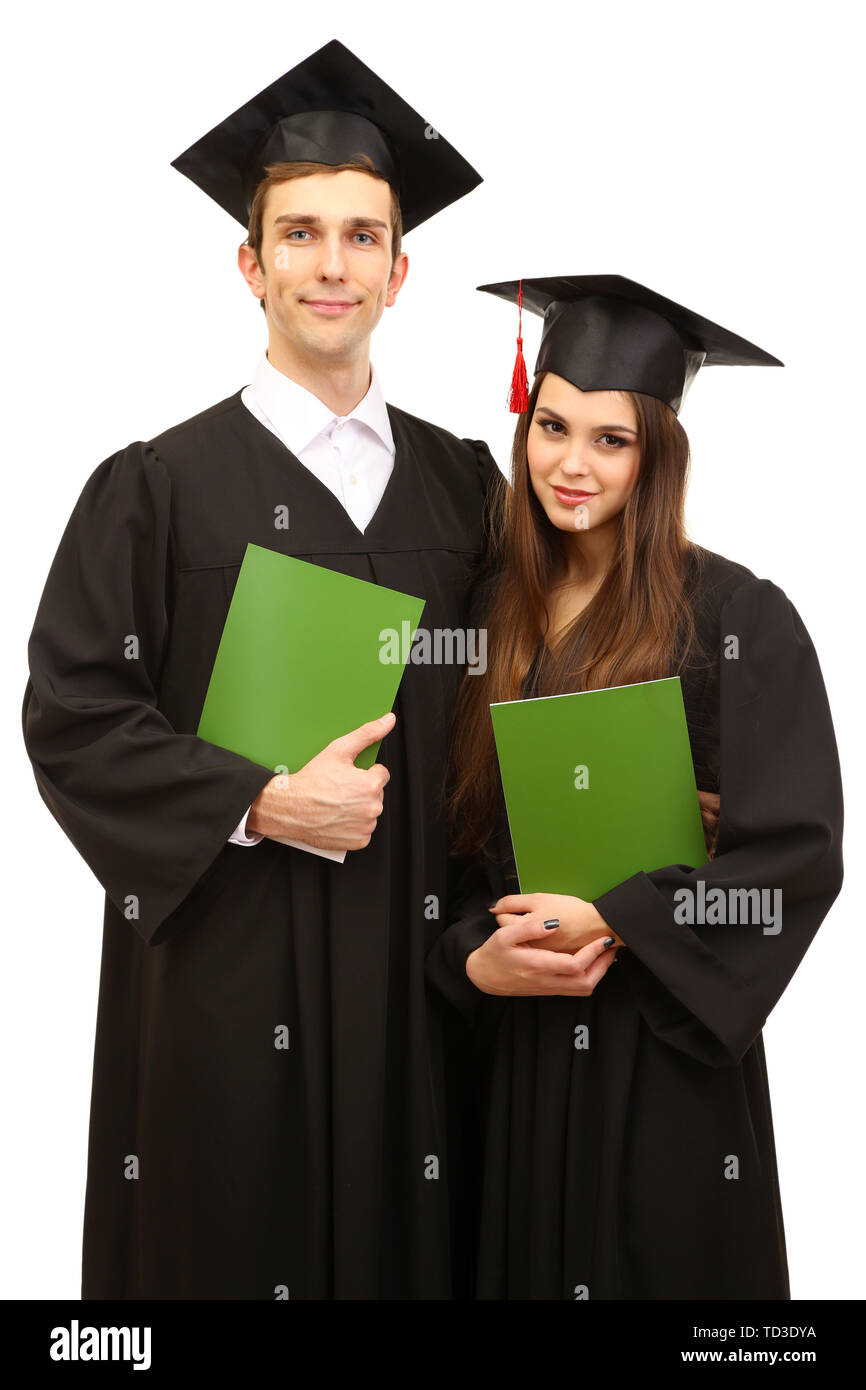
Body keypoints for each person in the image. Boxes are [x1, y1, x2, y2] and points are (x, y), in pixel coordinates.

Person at [21, 40, 499, 1299]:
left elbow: (522, 695)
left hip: (419, 987)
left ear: (401, 271)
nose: (329, 264)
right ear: (251, 262)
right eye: (298, 234)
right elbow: (73, 715)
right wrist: (256, 801)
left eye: (359, 235)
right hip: (229, 983)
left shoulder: (465, 485)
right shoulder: (158, 487)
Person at [426, 274, 844, 1299]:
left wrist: (614, 917)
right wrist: (474, 956)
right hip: (518, 1059)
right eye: (551, 426)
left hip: (659, 1061)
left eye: (609, 440)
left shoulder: (737, 614)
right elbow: (455, 853)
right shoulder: (486, 615)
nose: (571, 465)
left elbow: (794, 858)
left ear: (655, 454)